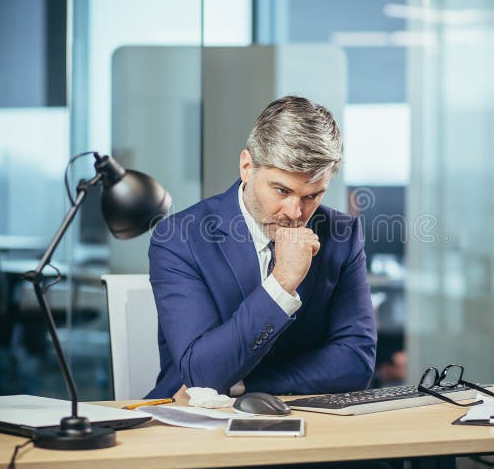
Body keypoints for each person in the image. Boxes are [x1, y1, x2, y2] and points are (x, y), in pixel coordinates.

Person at [147, 95, 377, 399]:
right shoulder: (179, 238)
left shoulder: (342, 235)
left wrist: (245, 386)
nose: (295, 212)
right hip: (190, 421)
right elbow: (202, 374)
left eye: (312, 196)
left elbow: (356, 362)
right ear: (247, 166)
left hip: (304, 420)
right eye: (282, 190)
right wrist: (281, 283)